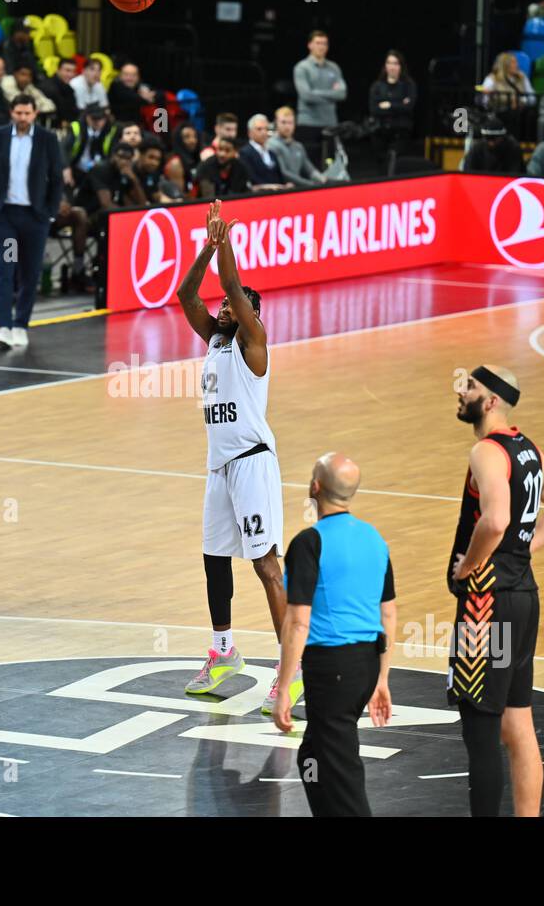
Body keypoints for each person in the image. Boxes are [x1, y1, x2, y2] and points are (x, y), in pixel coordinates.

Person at [448, 366, 544, 816]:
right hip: (524, 594)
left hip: (487, 602)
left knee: (479, 727)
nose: (461, 391)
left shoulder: (486, 451)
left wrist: (469, 564)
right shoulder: (527, 448)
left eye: (470, 387)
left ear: (491, 402)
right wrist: (523, 548)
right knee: (517, 722)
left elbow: (497, 520)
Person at [176, 202, 289, 711]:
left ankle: (293, 668)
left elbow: (233, 285)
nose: (224, 308)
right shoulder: (215, 341)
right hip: (219, 467)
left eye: (234, 305)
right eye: (222, 305)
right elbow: (185, 293)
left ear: (250, 315)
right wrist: (206, 246)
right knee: (213, 558)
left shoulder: (254, 343)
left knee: (266, 564)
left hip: (252, 461)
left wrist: (224, 244)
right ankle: (224, 651)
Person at [272, 452, 396, 817]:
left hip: (332, 667)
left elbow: (297, 621)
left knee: (339, 769)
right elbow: (387, 611)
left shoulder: (308, 543)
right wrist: (382, 677)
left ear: (314, 487)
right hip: (366, 664)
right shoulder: (375, 539)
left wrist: (283, 690)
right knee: (313, 756)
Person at [0, 94, 63, 351]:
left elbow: (57, 177)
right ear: (11, 113)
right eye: (18, 113)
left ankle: (20, 325)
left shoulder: (47, 139)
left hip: (34, 216)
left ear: (35, 113)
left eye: (27, 113)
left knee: (30, 271)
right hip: (3, 215)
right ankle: (3, 326)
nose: (23, 118)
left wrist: (50, 212)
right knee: (5, 269)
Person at [293, 30, 348, 168]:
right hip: (308, 124)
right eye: (318, 43)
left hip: (330, 124)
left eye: (324, 43)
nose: (321, 46)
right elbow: (306, 96)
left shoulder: (334, 68)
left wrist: (316, 92)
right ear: (310, 45)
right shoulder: (302, 67)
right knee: (309, 166)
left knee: (330, 165)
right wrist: (331, 95)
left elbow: (342, 94)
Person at [369, 49, 418, 158]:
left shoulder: (408, 85)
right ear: (385, 66)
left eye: (395, 63)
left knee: (396, 163)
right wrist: (399, 104)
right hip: (380, 132)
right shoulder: (377, 86)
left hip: (401, 133)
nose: (392, 67)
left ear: (401, 66)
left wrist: (389, 105)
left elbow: (408, 108)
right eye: (389, 63)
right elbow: (374, 109)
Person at [268, 106, 326, 187]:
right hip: (281, 190)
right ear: (276, 123)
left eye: (290, 123)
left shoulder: (298, 146)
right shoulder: (271, 144)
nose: (287, 126)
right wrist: (310, 185)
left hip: (297, 189)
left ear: (294, 124)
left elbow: (309, 169)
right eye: (283, 122)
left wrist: (322, 179)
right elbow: (284, 173)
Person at [238, 113, 292, 191]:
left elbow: (279, 175)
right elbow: (251, 178)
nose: (264, 132)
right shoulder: (245, 153)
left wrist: (285, 185)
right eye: (259, 129)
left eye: (266, 129)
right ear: (249, 133)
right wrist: (269, 187)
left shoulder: (272, 153)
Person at [40, 56, 80, 126]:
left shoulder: (69, 89)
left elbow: (74, 112)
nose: (70, 74)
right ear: (58, 70)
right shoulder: (48, 88)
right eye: (67, 70)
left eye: (73, 71)